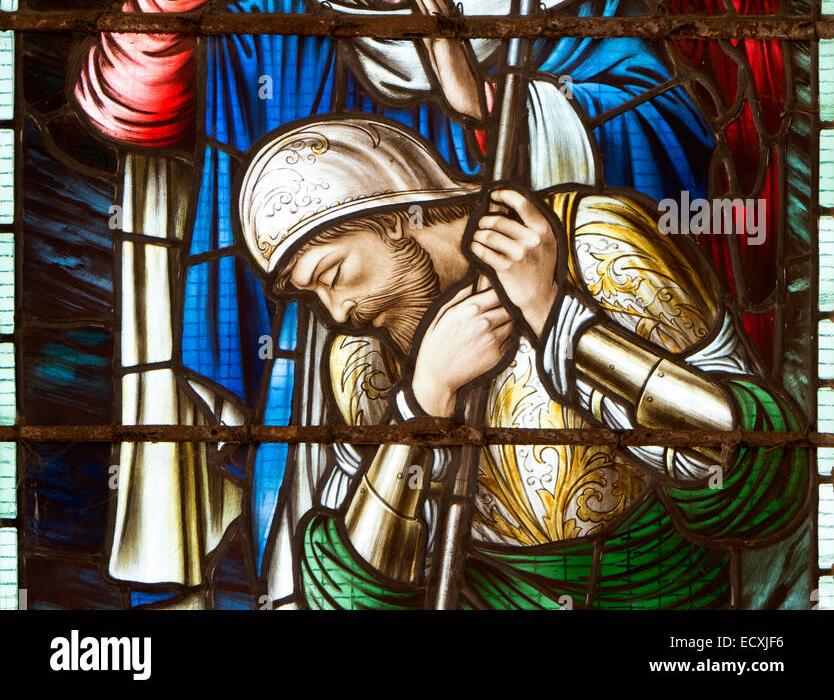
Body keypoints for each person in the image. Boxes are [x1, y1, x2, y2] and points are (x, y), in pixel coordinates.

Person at [72, 0, 715, 601]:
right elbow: (180, 137)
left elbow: (671, 137)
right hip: (339, 372)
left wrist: (495, 106)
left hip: (544, 350)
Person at [237, 116, 806, 611]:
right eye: (311, 296)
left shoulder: (596, 244)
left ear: (395, 218)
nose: (338, 312)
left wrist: (557, 317)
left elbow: (755, 472)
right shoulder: (362, 358)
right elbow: (355, 595)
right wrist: (424, 400)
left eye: (334, 274)